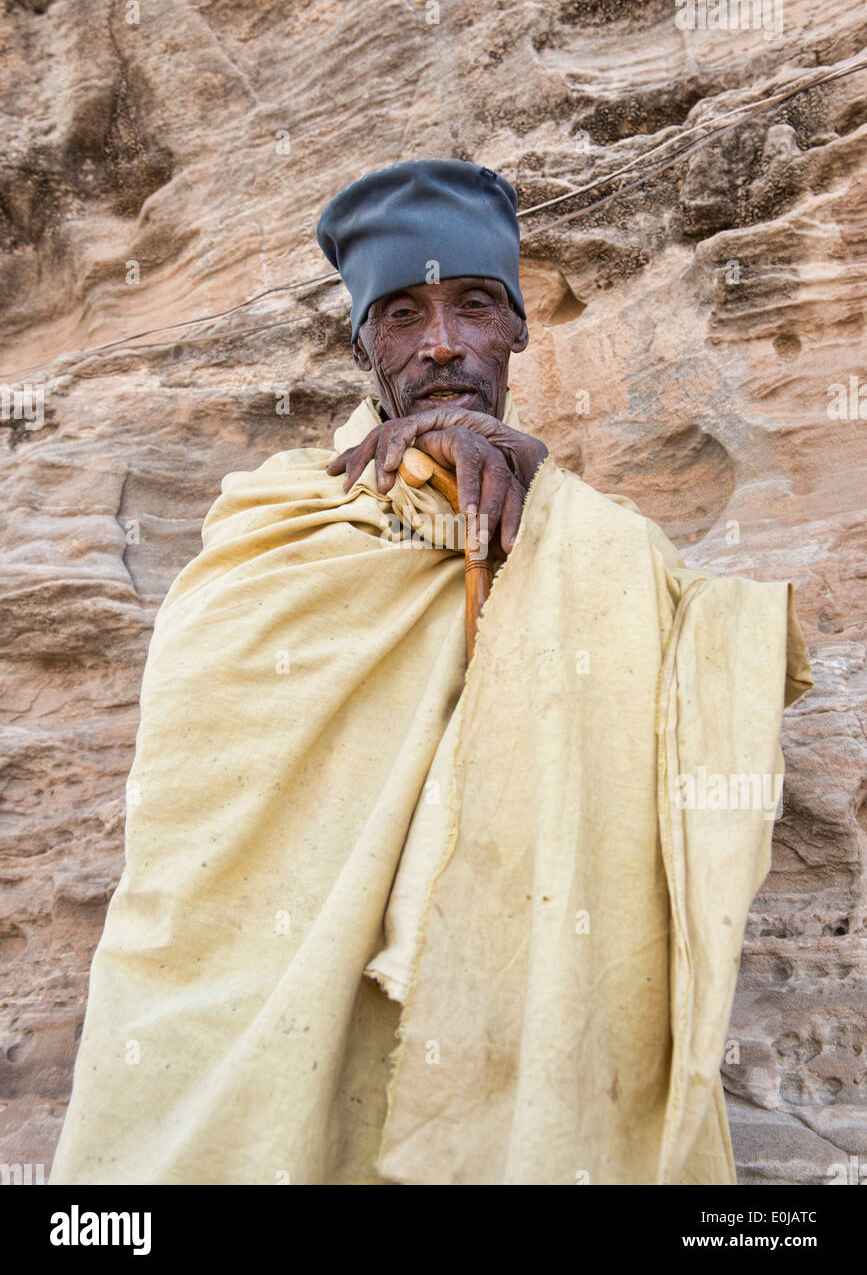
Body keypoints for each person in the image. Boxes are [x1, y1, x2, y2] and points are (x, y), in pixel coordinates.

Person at [48, 159, 812, 1186]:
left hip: (505, 1040)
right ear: (361, 346)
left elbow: (726, 667)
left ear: (520, 330)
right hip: (319, 1063)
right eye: (403, 314)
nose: (443, 342)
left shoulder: (597, 542)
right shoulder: (272, 535)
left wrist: (547, 509)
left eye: (474, 306)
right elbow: (204, 839)